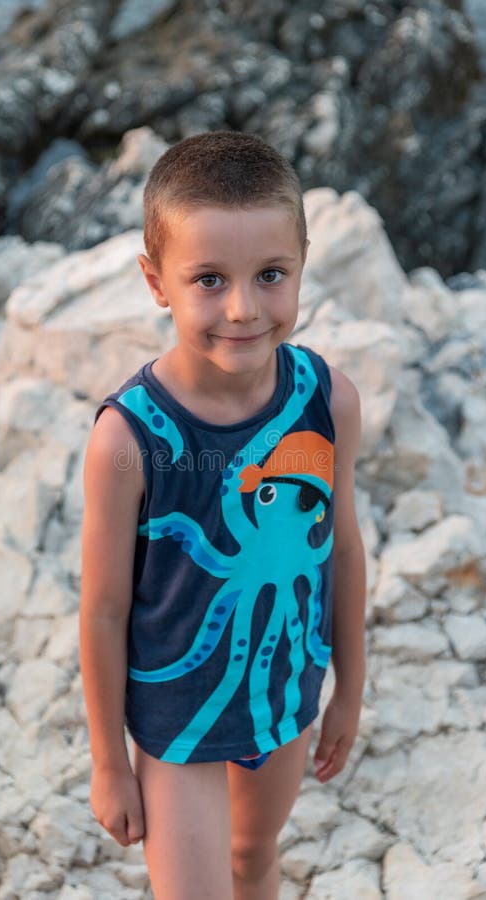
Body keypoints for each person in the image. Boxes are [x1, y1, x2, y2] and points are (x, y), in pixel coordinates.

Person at [79, 130, 366, 900]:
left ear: (304, 262)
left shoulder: (327, 401)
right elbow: (103, 611)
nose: (243, 308)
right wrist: (111, 761)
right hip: (176, 718)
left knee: (252, 856)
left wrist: (351, 686)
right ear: (156, 281)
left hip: (284, 695)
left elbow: (340, 545)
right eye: (209, 278)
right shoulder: (128, 438)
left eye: (271, 274)